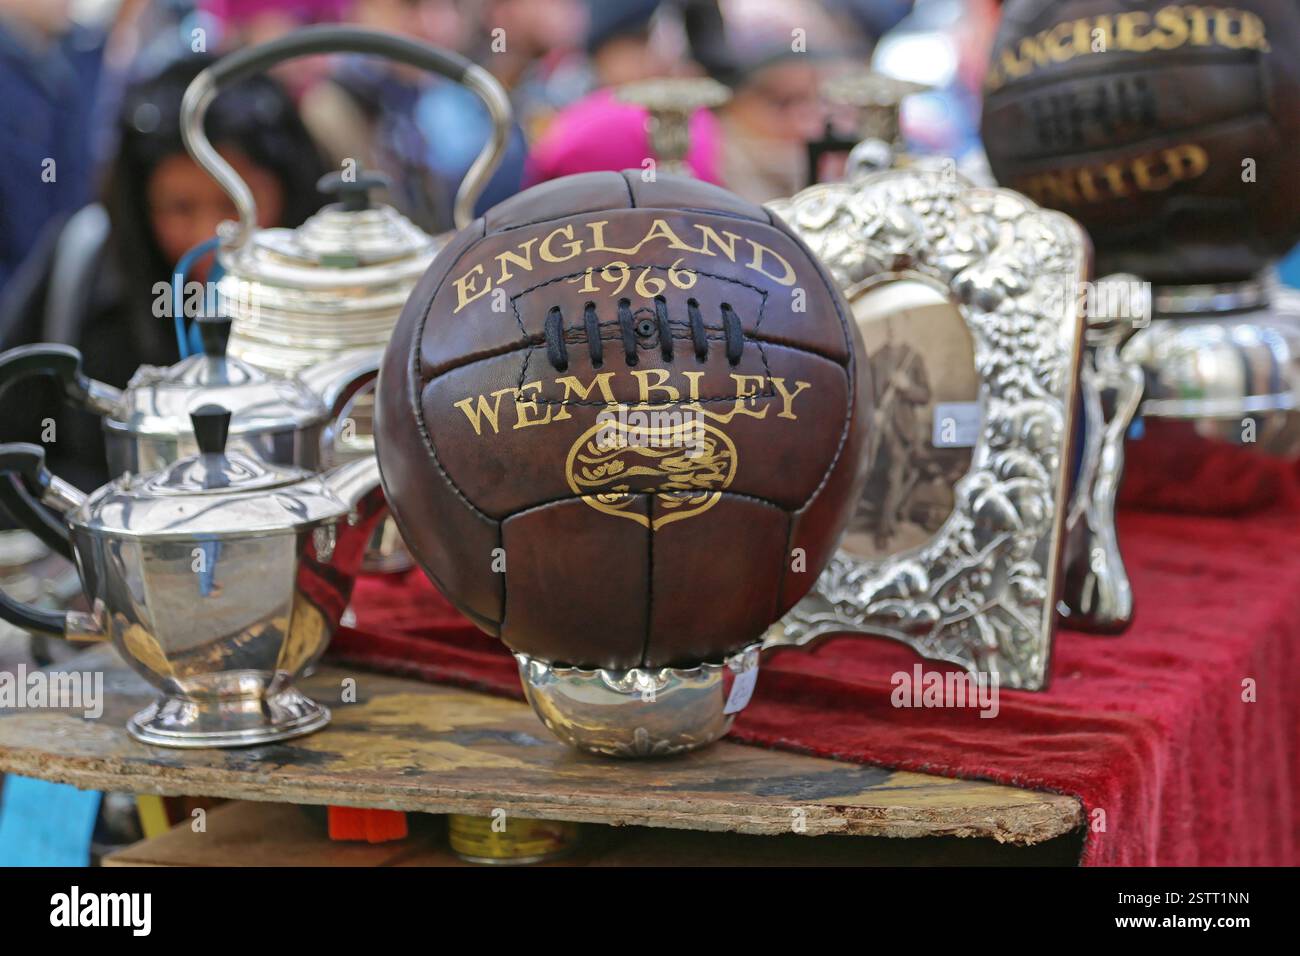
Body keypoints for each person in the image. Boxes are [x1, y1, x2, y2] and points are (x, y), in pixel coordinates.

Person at [0, 53, 328, 490]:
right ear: (140, 205)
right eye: (179, 207)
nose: (207, 236)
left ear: (287, 191)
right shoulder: (77, 273)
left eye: (233, 205)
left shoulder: (335, 294)